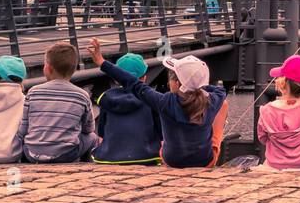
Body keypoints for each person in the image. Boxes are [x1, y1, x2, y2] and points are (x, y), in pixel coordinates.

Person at [88, 40, 227, 168]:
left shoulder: (164, 101)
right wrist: (197, 85)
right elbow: (220, 90)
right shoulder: (214, 100)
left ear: (177, 84)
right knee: (223, 106)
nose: (168, 81)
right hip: (204, 161)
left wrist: (102, 62)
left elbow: (133, 83)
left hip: (172, 160)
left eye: (171, 77)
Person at [16, 41, 98, 163]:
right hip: (65, 154)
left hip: (31, 153)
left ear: (48, 68)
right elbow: (88, 128)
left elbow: (23, 128)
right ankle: (86, 166)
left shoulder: (33, 92)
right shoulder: (82, 95)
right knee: (91, 137)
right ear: (74, 69)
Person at [91, 52, 162, 165]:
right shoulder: (150, 98)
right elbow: (161, 131)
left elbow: (101, 133)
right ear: (144, 78)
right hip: (146, 155)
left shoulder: (106, 97)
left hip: (110, 156)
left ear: (115, 79)